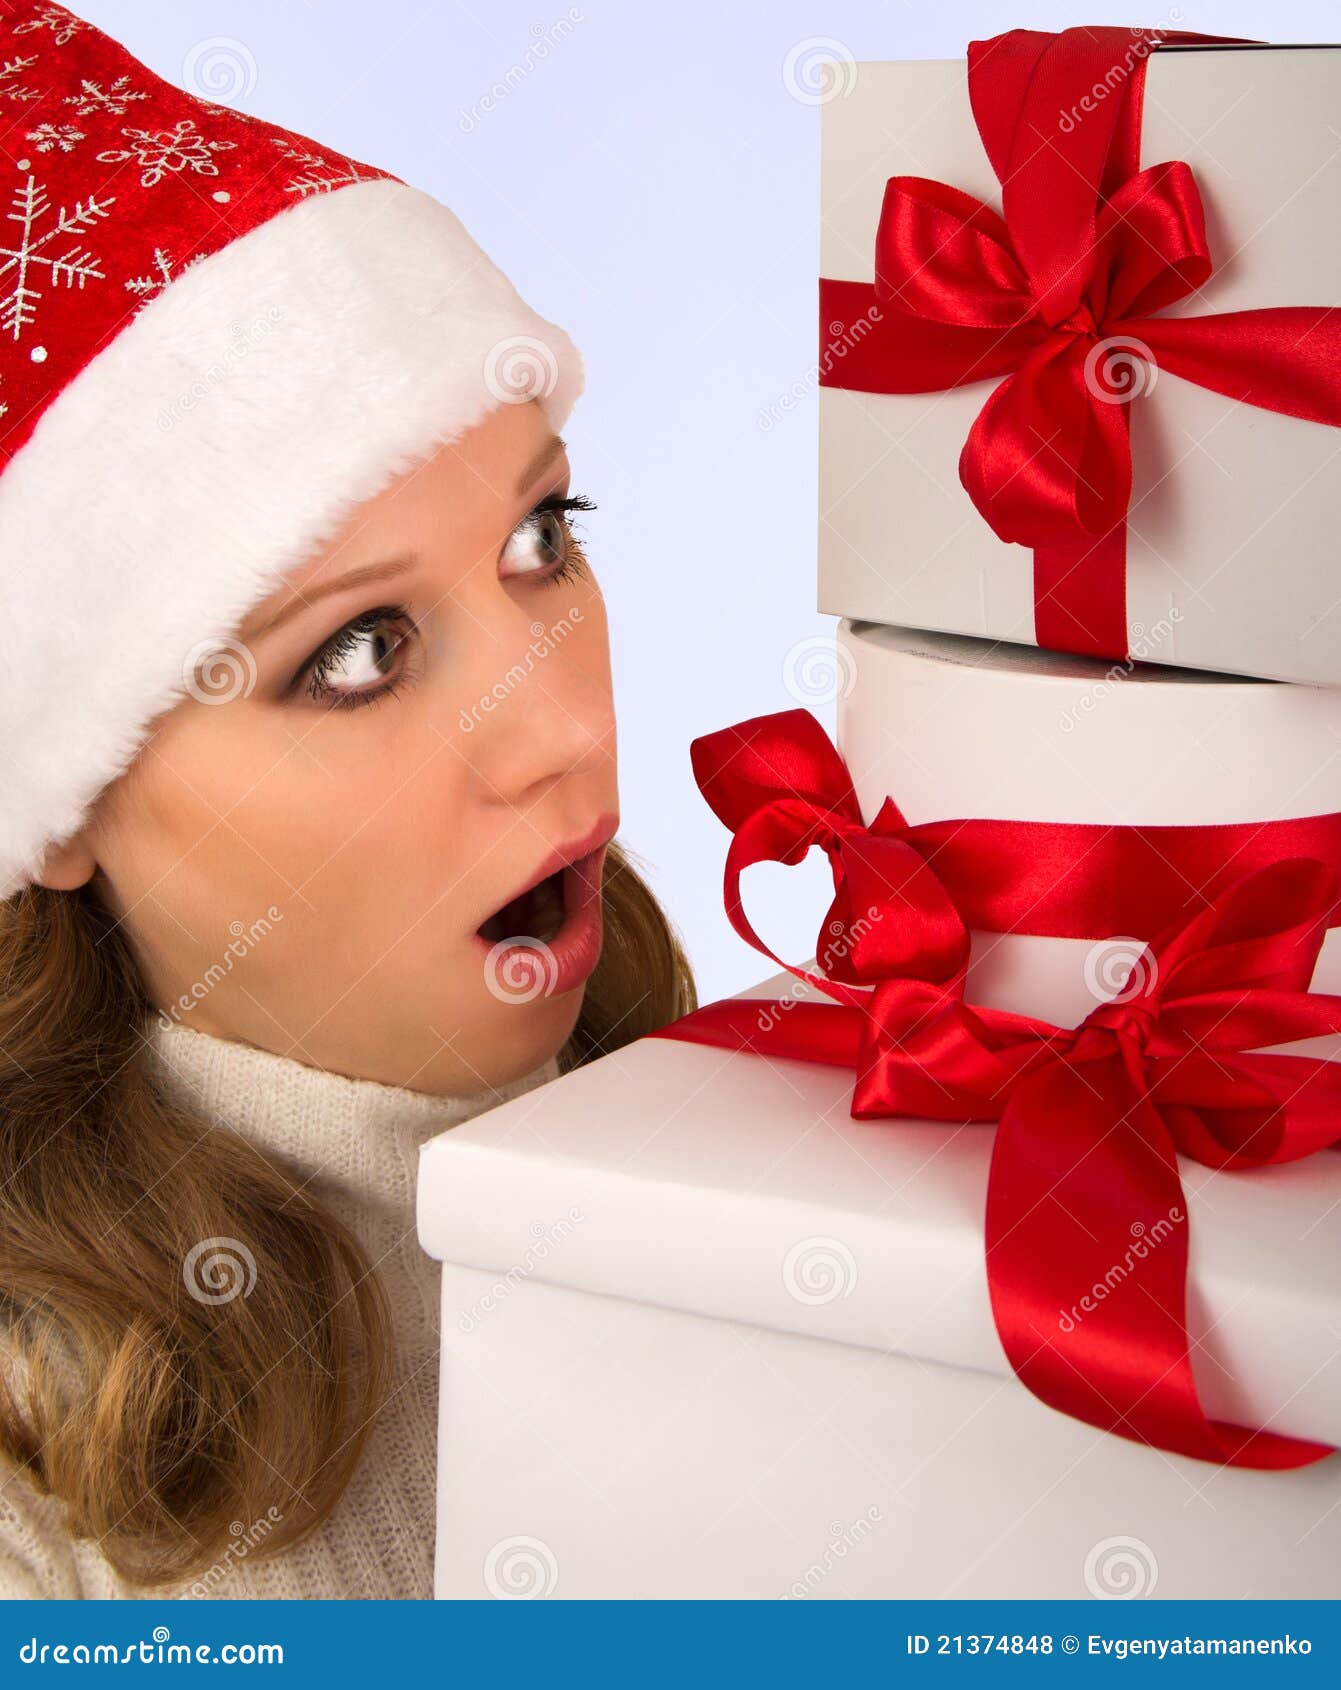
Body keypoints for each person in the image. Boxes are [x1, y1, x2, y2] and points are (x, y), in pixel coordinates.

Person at [0, 2, 693, 1599]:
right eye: (360, 650)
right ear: (59, 803)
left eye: (540, 538)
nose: (559, 732)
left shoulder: (744, 1174)